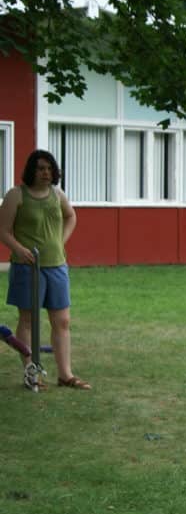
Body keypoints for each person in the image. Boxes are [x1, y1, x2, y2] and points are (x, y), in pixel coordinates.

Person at [0, 149, 91, 390]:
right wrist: (19, 249)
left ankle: (65, 375)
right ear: (31, 170)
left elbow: (71, 216)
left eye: (49, 169)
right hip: (27, 267)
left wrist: (60, 241)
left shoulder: (57, 195)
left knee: (62, 321)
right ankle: (32, 373)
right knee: (28, 321)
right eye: (41, 168)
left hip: (57, 266)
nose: (46, 173)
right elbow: (3, 230)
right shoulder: (16, 195)